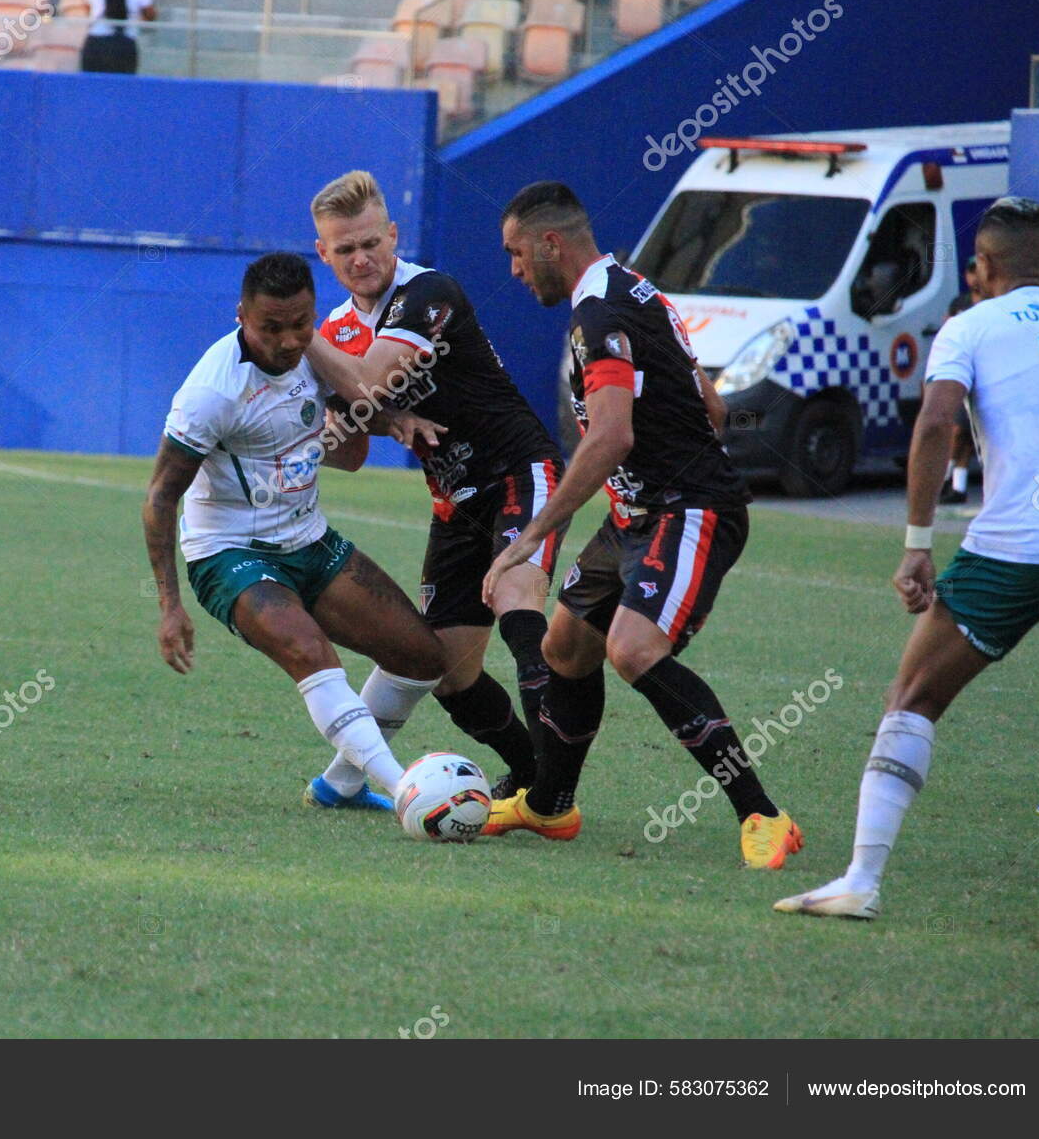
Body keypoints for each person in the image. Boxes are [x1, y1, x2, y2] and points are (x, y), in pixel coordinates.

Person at [482, 180, 802, 868]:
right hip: (639, 512)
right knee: (567, 646)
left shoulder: (599, 315)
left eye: (515, 253)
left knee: (631, 648)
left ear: (550, 244)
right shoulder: (635, 289)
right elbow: (710, 406)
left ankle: (764, 814)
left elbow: (611, 437)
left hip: (690, 508)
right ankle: (549, 806)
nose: (512, 270)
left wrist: (529, 539)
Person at [775, 198, 1039, 917]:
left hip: (1020, 544)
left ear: (985, 267)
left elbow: (936, 420)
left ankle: (860, 882)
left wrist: (916, 545)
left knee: (913, 698)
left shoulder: (970, 325)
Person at [144, 251, 450, 811]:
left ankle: (342, 786)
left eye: (301, 324)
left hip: (309, 541)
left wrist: (395, 422)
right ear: (241, 315)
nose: (288, 341)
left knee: (422, 657)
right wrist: (170, 605)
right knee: (312, 652)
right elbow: (161, 496)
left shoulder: (314, 352)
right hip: (228, 553)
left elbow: (343, 403)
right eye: (271, 328)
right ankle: (406, 789)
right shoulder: (212, 391)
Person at [303, 170, 565, 802]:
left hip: (517, 470)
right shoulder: (336, 331)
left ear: (393, 235)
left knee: (515, 597)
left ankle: (558, 790)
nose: (361, 258)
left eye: (372, 242)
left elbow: (367, 380)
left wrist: (295, 334)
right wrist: (343, 426)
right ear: (325, 253)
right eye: (345, 249)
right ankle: (533, 774)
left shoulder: (427, 293)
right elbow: (351, 453)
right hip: (455, 503)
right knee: (445, 670)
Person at [940, 257, 982, 506]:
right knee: (956, 431)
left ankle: (958, 485)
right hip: (961, 376)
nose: (974, 277)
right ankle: (948, 479)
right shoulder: (960, 304)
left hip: (980, 377)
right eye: (970, 271)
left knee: (964, 434)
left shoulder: (993, 303)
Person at [81, 0, 155, 75]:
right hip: (125, 44)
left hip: (96, 42)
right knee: (122, 85)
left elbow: (87, 11)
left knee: (92, 83)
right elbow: (150, 16)